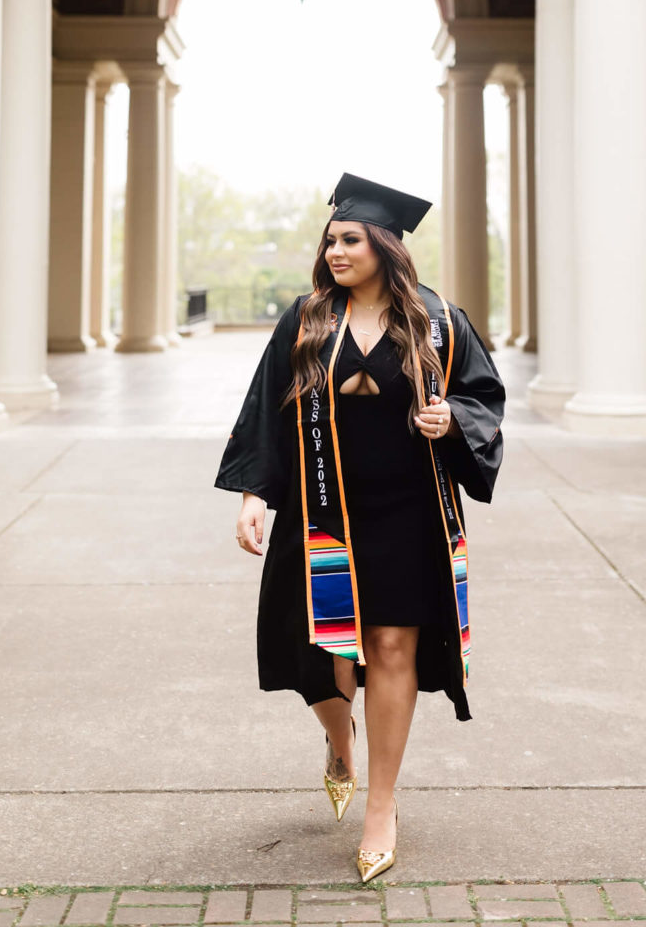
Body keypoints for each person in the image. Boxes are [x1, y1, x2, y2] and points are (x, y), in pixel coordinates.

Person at [214, 171, 505, 882]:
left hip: (408, 516)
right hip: (324, 512)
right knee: (327, 659)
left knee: (391, 648)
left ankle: (381, 804)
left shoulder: (438, 321)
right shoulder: (309, 318)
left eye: (349, 239)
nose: (336, 250)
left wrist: (452, 420)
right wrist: (254, 490)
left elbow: (483, 399)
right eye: (330, 240)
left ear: (383, 244)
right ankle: (338, 740)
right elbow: (266, 408)